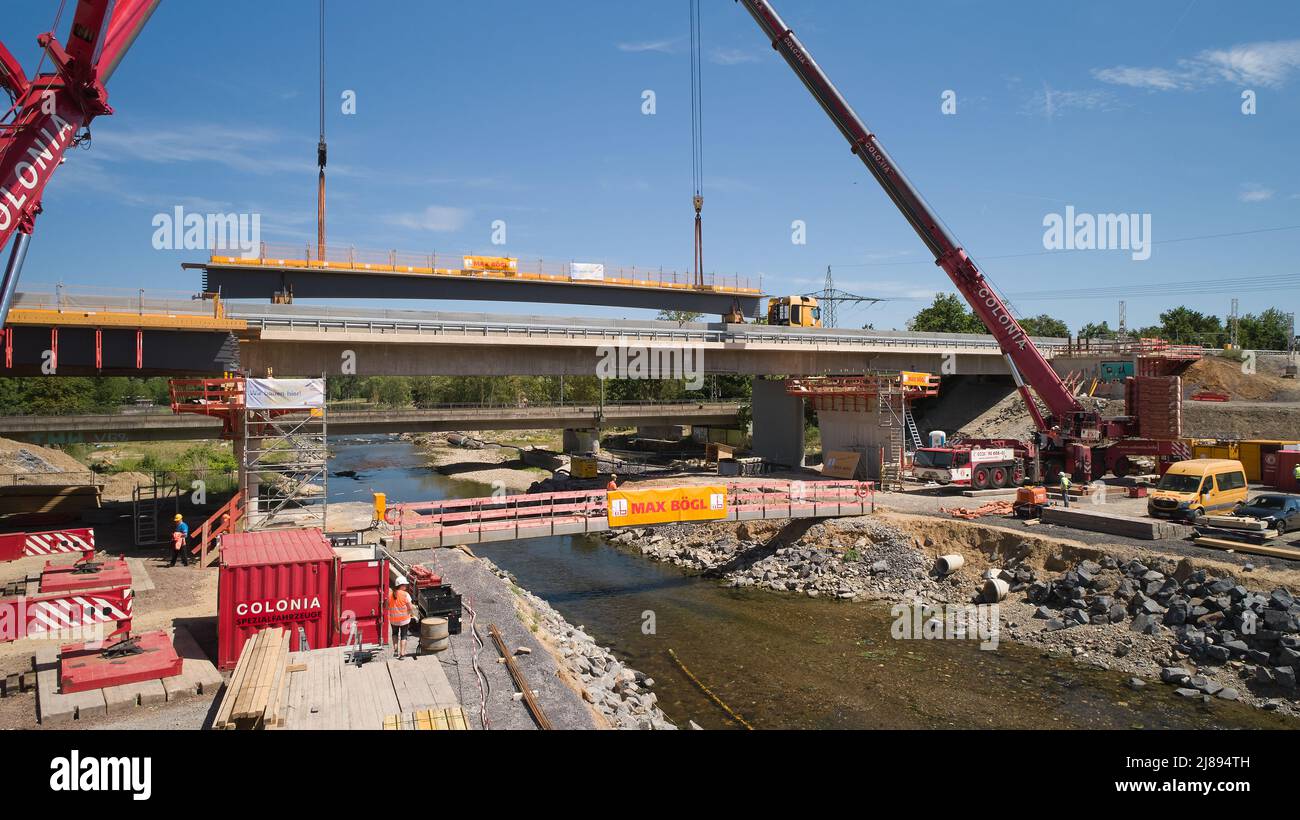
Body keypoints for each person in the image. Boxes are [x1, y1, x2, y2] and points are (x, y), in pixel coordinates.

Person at [388, 579, 415, 659]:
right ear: (401, 585)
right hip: (404, 620)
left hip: (393, 620)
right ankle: (402, 653)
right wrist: (412, 614)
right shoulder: (405, 595)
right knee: (403, 635)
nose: (406, 586)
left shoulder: (390, 594)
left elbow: (386, 606)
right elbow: (410, 607)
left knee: (395, 634)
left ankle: (395, 650)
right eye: (405, 585)